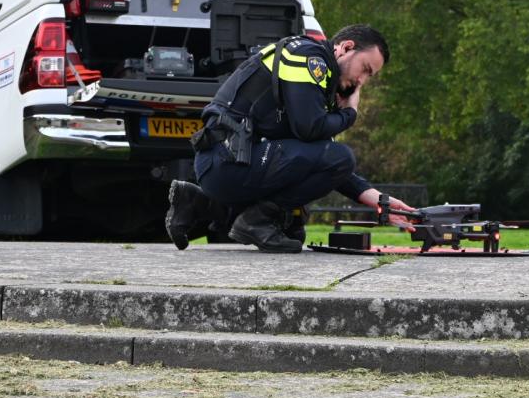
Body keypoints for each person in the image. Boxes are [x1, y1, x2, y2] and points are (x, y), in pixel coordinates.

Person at [166, 24, 417, 253]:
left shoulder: (315, 71)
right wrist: (349, 114)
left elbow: (322, 157)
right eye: (365, 69)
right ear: (346, 47)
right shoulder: (307, 56)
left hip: (227, 163)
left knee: (293, 226)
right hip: (228, 162)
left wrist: (380, 201)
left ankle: (197, 202)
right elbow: (311, 130)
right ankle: (256, 221)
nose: (361, 82)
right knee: (339, 158)